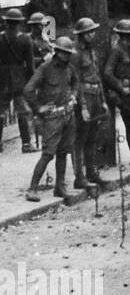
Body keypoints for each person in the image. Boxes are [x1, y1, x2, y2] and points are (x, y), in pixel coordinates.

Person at [22, 37, 79, 202]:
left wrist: (74, 95)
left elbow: (76, 83)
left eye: (69, 54)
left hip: (68, 115)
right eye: (65, 53)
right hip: (52, 118)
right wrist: (38, 108)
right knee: (48, 154)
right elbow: (28, 90)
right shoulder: (45, 69)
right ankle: (32, 189)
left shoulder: (70, 68)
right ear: (57, 52)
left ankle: (60, 188)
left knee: (63, 152)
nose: (67, 57)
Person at [70, 17, 108, 188]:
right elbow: (75, 81)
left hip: (95, 96)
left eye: (93, 31)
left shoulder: (92, 52)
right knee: (80, 139)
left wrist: (103, 100)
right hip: (83, 97)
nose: (92, 34)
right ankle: (79, 177)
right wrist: (83, 106)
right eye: (89, 32)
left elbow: (98, 77)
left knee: (93, 137)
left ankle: (91, 172)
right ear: (81, 34)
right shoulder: (76, 54)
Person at [103, 19, 130, 168]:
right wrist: (121, 89)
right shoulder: (117, 50)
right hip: (124, 92)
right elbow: (108, 73)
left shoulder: (126, 49)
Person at [0, 9, 36, 153]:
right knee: (22, 111)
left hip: (2, 78)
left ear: (6, 21)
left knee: (1, 111)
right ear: (20, 22)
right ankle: (26, 144)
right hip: (19, 77)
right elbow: (30, 63)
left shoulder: (0, 38)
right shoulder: (25, 39)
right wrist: (32, 82)